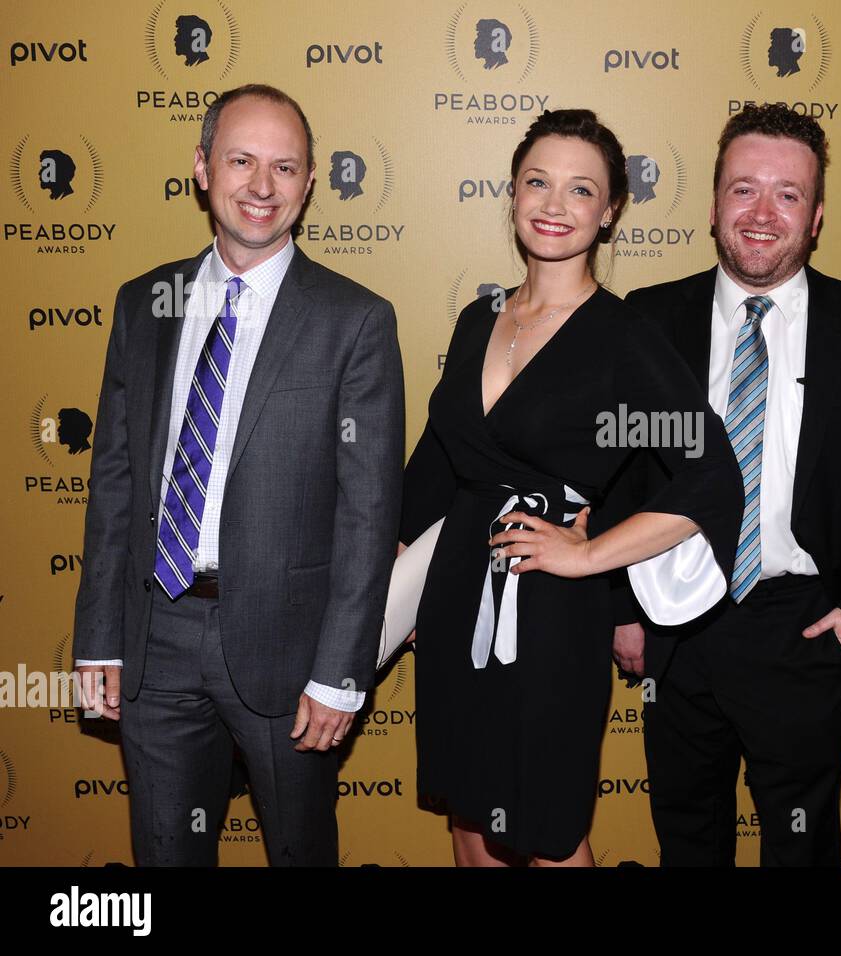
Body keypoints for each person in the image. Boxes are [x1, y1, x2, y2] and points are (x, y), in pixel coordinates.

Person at [398, 108, 742, 867]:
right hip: (457, 594)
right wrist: (395, 594)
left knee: (547, 832)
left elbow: (707, 473)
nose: (554, 206)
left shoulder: (625, 340)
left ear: (610, 209)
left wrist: (590, 557)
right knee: (470, 820)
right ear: (513, 193)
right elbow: (436, 464)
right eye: (537, 183)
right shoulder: (477, 319)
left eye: (580, 189)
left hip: (551, 613)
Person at [72, 83, 405, 866]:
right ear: (201, 168)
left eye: (285, 167)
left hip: (289, 653)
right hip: (155, 637)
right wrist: (99, 640)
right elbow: (114, 483)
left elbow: (368, 512)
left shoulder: (353, 319)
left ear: (311, 180)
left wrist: (339, 672)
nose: (262, 186)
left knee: (299, 852)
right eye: (242, 161)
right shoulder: (143, 304)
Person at [610, 103, 841, 866]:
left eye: (788, 193)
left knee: (803, 845)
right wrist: (621, 611)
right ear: (713, 205)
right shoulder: (646, 320)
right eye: (743, 189)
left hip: (806, 627)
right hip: (674, 620)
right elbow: (620, 476)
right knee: (689, 837)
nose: (762, 212)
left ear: (816, 217)